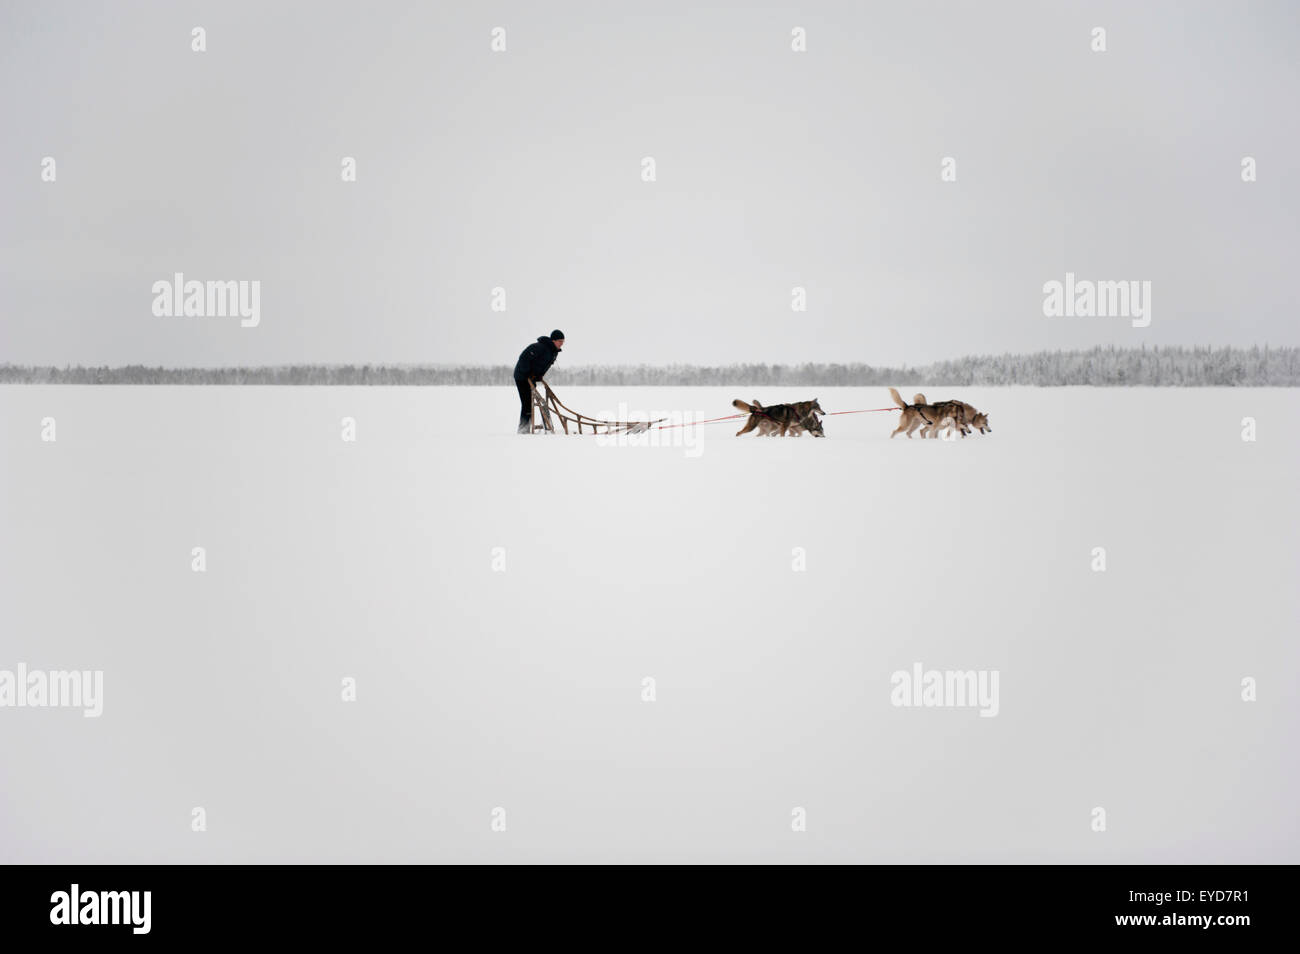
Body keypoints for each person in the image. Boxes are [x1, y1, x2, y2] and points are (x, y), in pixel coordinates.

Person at [513, 330, 565, 433]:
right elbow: (524, 358)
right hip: (522, 377)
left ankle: (547, 426)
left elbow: (542, 365)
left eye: (563, 341)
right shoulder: (540, 347)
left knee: (539, 402)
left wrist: (538, 376)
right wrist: (528, 372)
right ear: (553, 340)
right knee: (527, 403)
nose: (561, 343)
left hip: (531, 378)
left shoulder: (553, 352)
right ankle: (523, 429)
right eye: (559, 341)